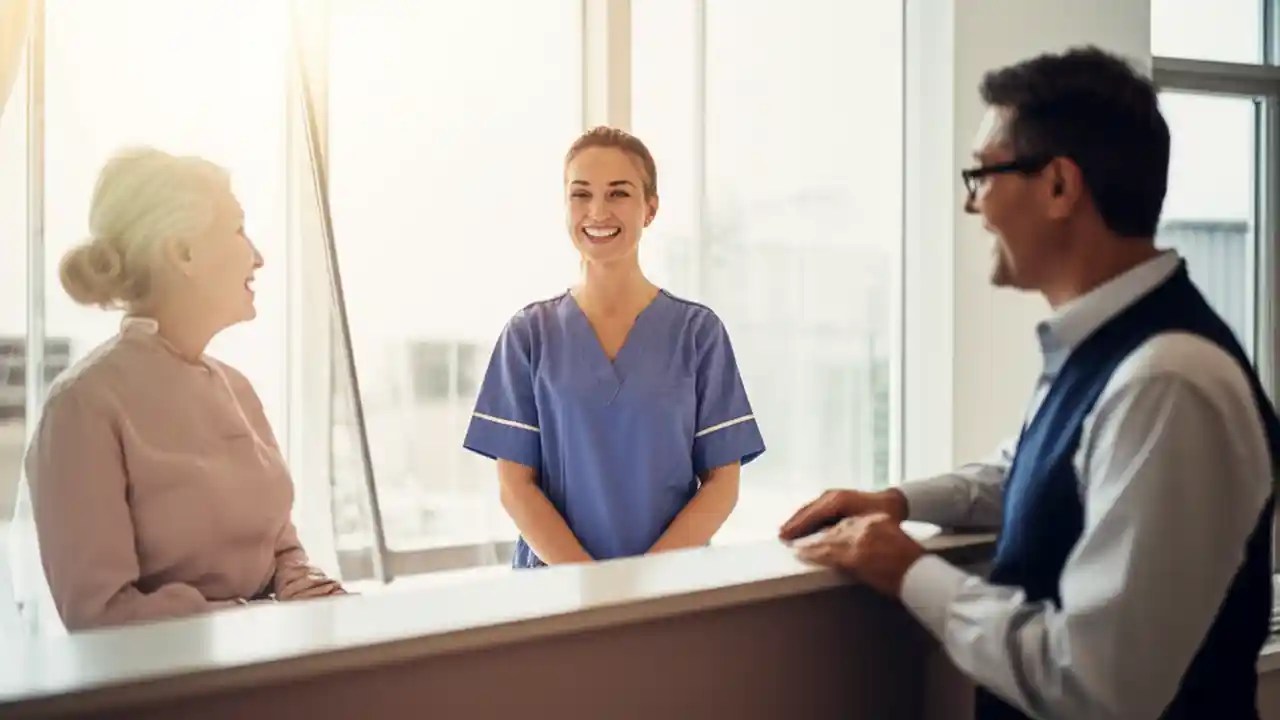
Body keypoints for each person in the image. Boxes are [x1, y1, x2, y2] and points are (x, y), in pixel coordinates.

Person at [780, 47, 1276, 719]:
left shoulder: (1168, 380)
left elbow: (1099, 685)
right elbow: (1036, 476)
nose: (970, 203)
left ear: (1059, 187)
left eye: (981, 175)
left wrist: (909, 571)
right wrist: (897, 500)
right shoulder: (1110, 350)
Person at [21, 147, 342, 632]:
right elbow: (99, 618)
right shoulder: (81, 406)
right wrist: (255, 623)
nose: (258, 255)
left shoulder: (238, 389)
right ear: (182, 253)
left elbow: (281, 547)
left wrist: (319, 596)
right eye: (237, 229)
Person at [463, 126, 765, 568]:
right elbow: (515, 488)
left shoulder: (698, 334)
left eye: (619, 194)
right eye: (580, 194)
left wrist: (644, 586)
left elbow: (723, 483)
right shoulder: (529, 335)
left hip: (668, 593)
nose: (598, 211)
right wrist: (591, 588)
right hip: (556, 595)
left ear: (650, 209)